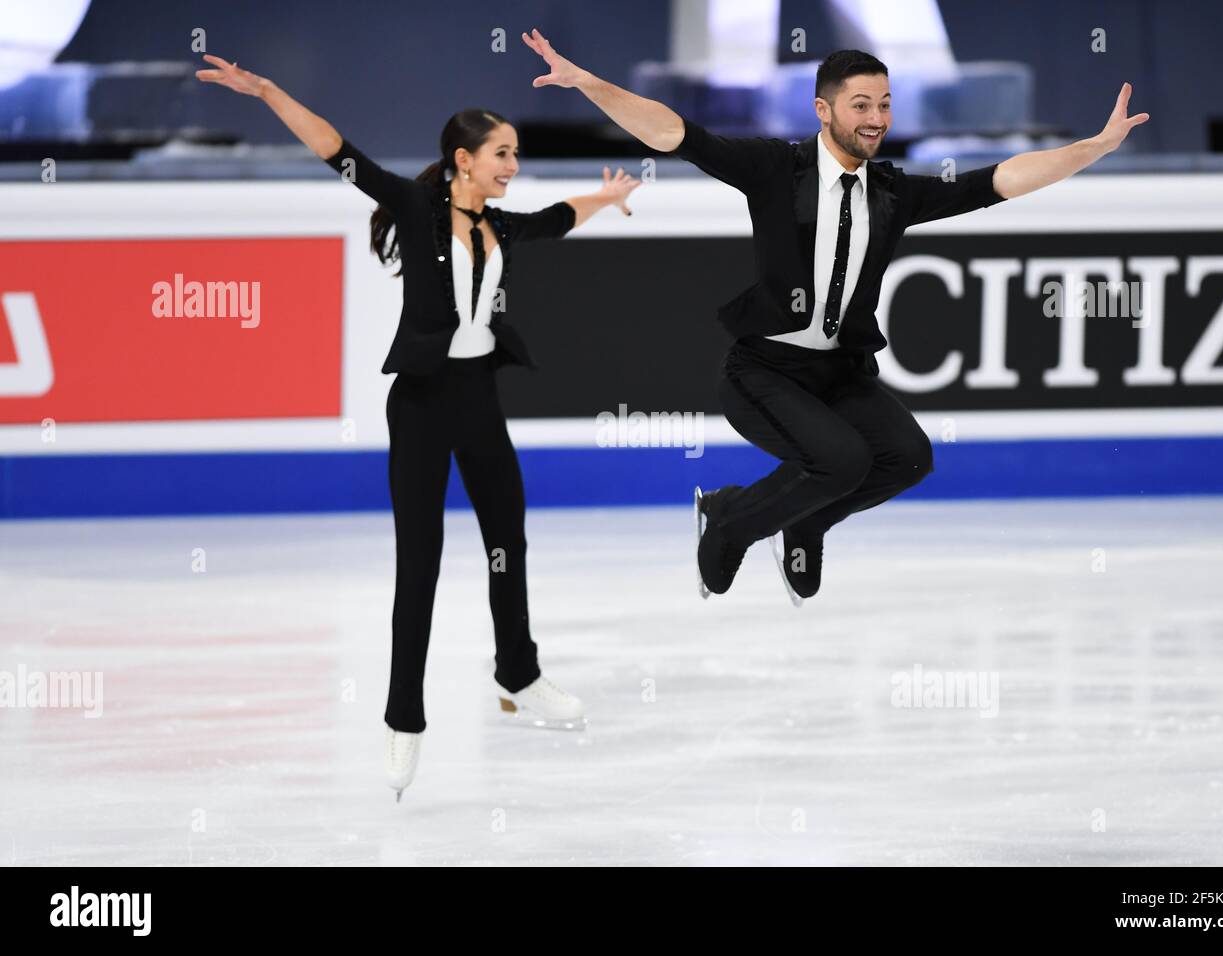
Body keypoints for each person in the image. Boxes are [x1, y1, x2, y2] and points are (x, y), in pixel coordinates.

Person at [521, 30, 1147, 604]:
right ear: (824, 111)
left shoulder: (895, 193)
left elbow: (999, 181)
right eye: (861, 105)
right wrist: (588, 84)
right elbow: (675, 134)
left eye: (884, 104)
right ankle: (727, 520)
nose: (876, 118)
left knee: (907, 457)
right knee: (842, 462)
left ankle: (804, 525)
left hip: (842, 375)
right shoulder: (773, 170)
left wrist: (1093, 147)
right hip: (763, 372)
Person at [196, 54, 641, 800]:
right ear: (463, 160)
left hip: (479, 398)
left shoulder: (498, 224)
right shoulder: (411, 206)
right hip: (424, 405)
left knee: (508, 537)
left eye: (517, 154)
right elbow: (337, 152)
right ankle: (404, 717)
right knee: (422, 561)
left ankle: (518, 673)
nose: (513, 165)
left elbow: (553, 223)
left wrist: (602, 199)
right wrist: (269, 90)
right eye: (502, 154)